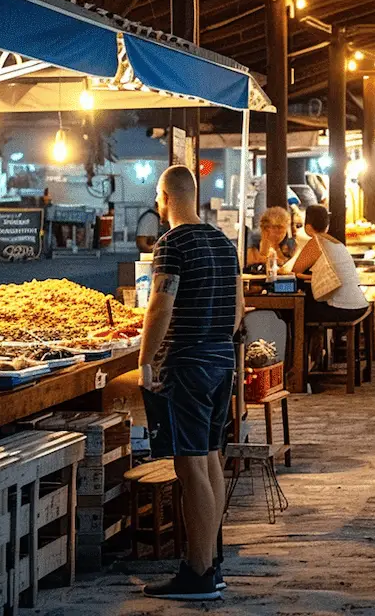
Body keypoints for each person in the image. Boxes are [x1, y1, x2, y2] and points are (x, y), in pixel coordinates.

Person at [138, 165, 242, 600]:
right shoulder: (224, 242)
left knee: (190, 465)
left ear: (165, 197)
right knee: (211, 458)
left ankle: (198, 572)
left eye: (158, 198)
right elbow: (238, 307)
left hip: (187, 363)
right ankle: (210, 563)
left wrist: (146, 360)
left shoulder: (171, 243)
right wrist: (216, 342)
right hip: (221, 360)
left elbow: (160, 306)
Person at [292, 205, 370, 322]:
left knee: (295, 310)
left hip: (341, 308)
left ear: (307, 226)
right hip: (359, 304)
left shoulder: (316, 242)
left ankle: (301, 335)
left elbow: (294, 271)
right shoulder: (336, 243)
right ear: (327, 226)